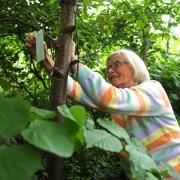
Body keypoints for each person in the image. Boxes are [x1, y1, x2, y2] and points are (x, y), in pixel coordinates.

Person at [26, 33, 180, 177]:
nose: (110, 71)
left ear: (134, 66)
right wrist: (44, 58)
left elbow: (107, 97)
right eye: (108, 68)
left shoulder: (152, 90)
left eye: (117, 64)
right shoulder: (118, 107)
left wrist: (72, 59)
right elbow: (75, 91)